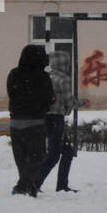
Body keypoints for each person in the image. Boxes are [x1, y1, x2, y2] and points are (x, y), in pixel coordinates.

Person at [7, 44, 55, 197]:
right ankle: (22, 187)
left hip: (15, 123)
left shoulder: (13, 74)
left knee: (22, 160)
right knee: (37, 157)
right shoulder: (42, 76)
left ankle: (31, 187)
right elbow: (51, 98)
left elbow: (11, 93)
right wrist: (42, 106)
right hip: (35, 123)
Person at [35, 51, 81, 193]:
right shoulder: (63, 79)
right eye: (67, 63)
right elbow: (70, 101)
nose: (68, 66)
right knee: (54, 155)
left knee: (67, 151)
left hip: (44, 118)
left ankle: (61, 185)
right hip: (56, 119)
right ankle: (35, 183)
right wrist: (82, 103)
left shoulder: (46, 77)